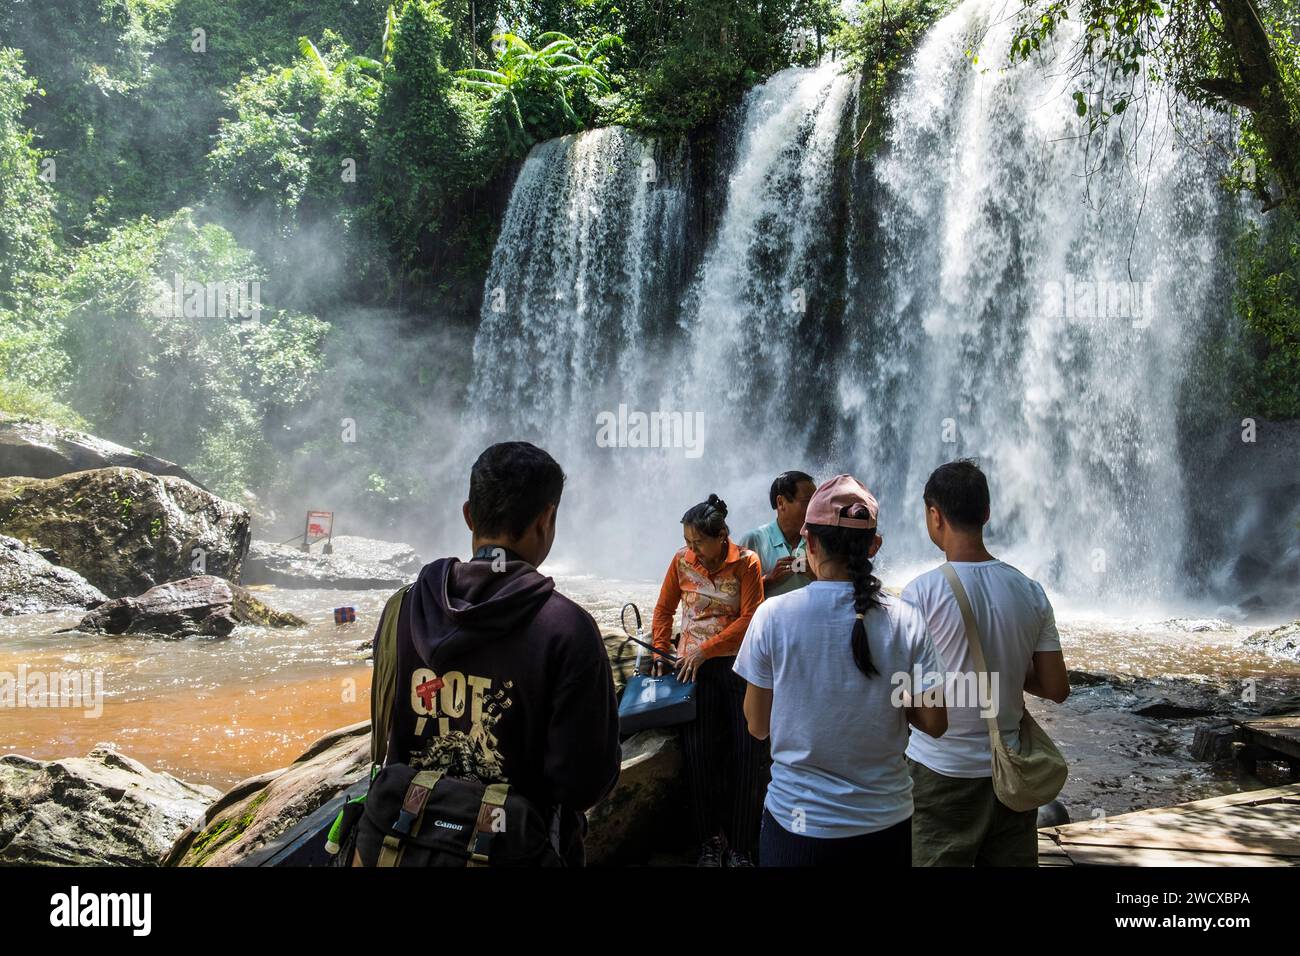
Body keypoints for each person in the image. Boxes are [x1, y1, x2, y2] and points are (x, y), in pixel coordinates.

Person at [369, 441, 621, 866]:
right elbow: (583, 786)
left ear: (469, 515)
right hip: (515, 852)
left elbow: (387, 738)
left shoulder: (402, 609)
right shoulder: (567, 629)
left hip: (404, 847)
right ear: (547, 519)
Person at [735, 474, 948, 867]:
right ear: (873, 545)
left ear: (810, 543)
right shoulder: (908, 620)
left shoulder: (772, 617)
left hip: (798, 827)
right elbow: (935, 722)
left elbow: (757, 725)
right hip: (884, 827)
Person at [902, 459, 1070, 867]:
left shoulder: (921, 593)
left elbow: (904, 692)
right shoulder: (1030, 591)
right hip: (1010, 772)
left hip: (939, 774)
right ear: (987, 514)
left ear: (934, 515)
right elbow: (1055, 688)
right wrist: (1005, 669)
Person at [652, 493, 765, 866]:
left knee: (747, 754)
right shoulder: (680, 563)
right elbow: (664, 609)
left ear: (722, 536)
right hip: (690, 669)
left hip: (736, 666)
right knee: (699, 756)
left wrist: (707, 649)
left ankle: (740, 846)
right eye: (688, 542)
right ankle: (708, 841)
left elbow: (750, 619)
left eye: (698, 542)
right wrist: (658, 651)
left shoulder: (746, 563)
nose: (692, 550)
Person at [739, 470, 818, 599]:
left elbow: (840, 587)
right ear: (781, 503)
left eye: (816, 502)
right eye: (807, 502)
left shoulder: (820, 539)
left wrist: (816, 575)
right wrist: (768, 580)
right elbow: (734, 595)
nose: (815, 508)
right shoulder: (754, 540)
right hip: (770, 619)